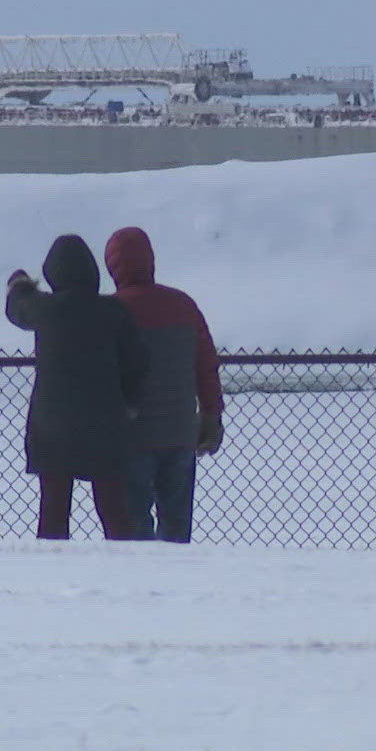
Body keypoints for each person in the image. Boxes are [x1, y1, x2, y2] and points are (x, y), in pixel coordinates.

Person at [5, 234, 147, 540]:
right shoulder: (114, 312)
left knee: (53, 511)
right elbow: (137, 363)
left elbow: (17, 308)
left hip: (52, 427)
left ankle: (52, 564)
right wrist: (130, 403)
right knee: (114, 510)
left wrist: (19, 283)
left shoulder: (46, 309)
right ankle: (126, 563)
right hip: (106, 423)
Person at [104, 226, 224, 542]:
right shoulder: (184, 306)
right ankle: (176, 572)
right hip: (180, 433)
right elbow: (206, 366)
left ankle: (140, 574)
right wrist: (211, 415)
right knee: (176, 530)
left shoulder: (110, 312)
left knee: (133, 532)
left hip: (130, 437)